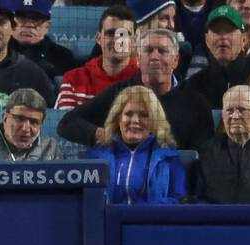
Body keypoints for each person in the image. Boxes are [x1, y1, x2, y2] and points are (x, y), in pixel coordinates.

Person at [58, 28, 215, 149]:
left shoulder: (195, 102)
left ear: (175, 60)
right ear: (138, 60)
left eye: (162, 51)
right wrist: (104, 135)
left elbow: (203, 154)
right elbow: (67, 123)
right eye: (148, 51)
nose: (154, 57)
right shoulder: (119, 92)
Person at [86, 85, 187, 203]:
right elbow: (86, 201)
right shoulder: (96, 156)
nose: (135, 120)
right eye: (128, 114)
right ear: (118, 118)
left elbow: (179, 199)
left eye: (144, 115)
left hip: (152, 220)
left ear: (154, 121)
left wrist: (144, 213)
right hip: (107, 221)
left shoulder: (169, 157)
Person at [56, 6, 139, 109]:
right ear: (99, 39)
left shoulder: (145, 79)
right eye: (111, 33)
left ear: (134, 41)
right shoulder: (73, 79)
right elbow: (65, 123)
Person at [185, 5, 250, 104]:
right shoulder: (193, 85)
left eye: (229, 31)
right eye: (216, 31)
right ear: (207, 40)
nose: (223, 37)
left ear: (243, 40)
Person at [12, 0, 79, 80]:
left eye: (35, 19)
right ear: (11, 22)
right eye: (22, 18)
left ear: (47, 26)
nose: (28, 25)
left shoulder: (63, 56)